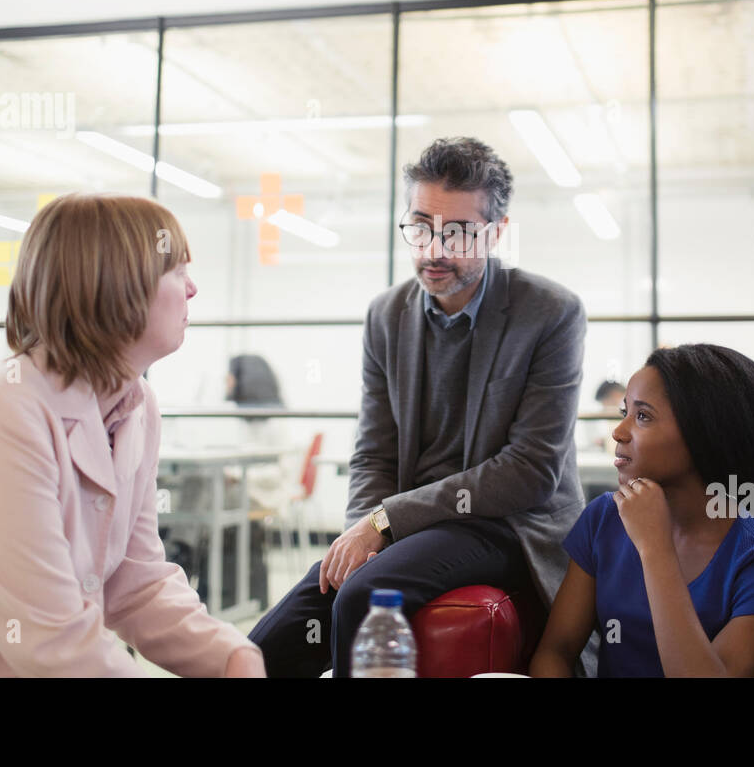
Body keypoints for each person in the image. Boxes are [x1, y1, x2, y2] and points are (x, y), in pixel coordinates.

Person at [0, 193, 265, 677]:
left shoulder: (137, 406)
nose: (193, 289)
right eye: (178, 272)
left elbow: (135, 585)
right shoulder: (2, 411)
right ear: (119, 286)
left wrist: (229, 655)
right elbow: (52, 641)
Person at [249, 137, 587, 677]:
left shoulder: (549, 312)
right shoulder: (387, 315)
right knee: (262, 647)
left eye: (456, 231)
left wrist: (385, 522)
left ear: (497, 232)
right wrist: (364, 528)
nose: (434, 249)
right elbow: (373, 453)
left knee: (363, 594)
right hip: (407, 524)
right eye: (421, 225)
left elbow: (531, 472)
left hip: (503, 524)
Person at [530, 344, 754, 677]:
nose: (619, 431)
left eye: (643, 416)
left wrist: (655, 549)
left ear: (706, 434)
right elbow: (555, 652)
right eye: (623, 412)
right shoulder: (603, 519)